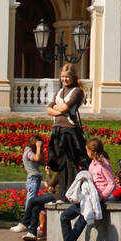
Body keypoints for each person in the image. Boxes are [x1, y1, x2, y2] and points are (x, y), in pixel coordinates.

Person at [45, 138, 116, 241]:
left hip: (94, 201)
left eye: (87, 150)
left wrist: (101, 197)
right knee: (65, 216)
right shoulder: (93, 163)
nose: (86, 152)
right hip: (86, 198)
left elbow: (111, 183)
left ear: (92, 151)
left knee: (79, 225)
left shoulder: (103, 164)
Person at [46, 64, 86, 200]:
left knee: (69, 164)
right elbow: (48, 110)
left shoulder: (77, 92)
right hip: (57, 131)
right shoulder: (59, 92)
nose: (64, 79)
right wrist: (60, 109)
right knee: (61, 164)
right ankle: (61, 193)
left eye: (67, 77)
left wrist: (57, 109)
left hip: (69, 132)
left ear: (73, 77)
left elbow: (64, 108)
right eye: (62, 76)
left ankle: (69, 194)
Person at [11, 135, 47, 232]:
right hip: (32, 180)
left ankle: (29, 223)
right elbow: (36, 158)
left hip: (35, 179)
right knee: (31, 201)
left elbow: (42, 161)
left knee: (32, 201)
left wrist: (41, 149)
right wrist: (39, 147)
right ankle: (27, 223)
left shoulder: (33, 151)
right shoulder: (28, 151)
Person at [20, 169, 62, 240]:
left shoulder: (59, 170)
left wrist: (48, 174)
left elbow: (50, 183)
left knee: (32, 200)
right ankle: (32, 233)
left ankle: (25, 223)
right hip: (56, 194)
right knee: (36, 207)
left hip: (57, 196)